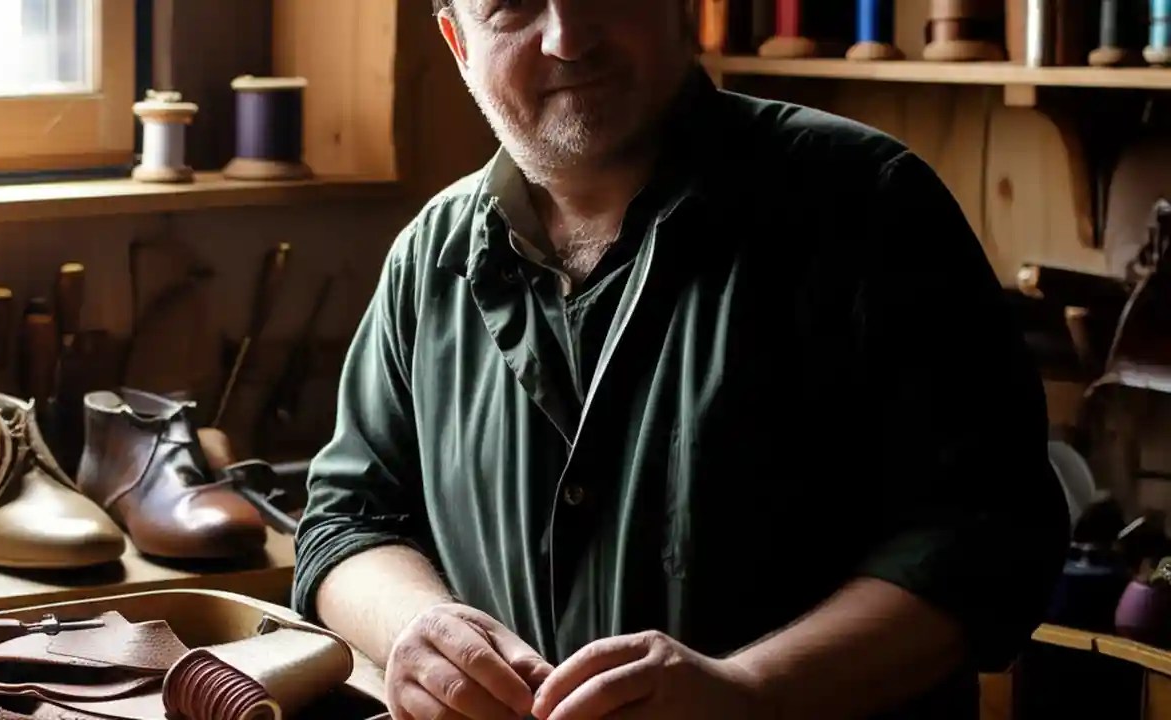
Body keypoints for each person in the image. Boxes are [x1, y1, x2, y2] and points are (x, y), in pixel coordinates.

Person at [290, 1, 1071, 718]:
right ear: (459, 42)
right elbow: (346, 521)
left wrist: (752, 692)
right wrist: (416, 632)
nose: (567, 35)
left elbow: (987, 543)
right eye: (513, 3)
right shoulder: (430, 258)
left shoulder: (869, 205)